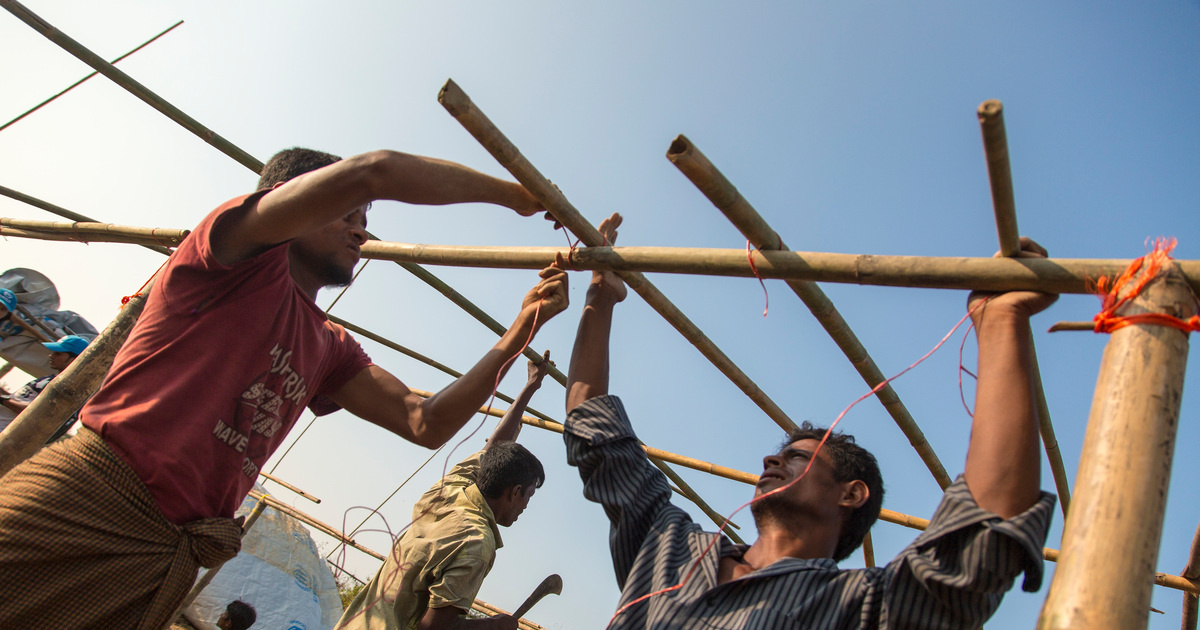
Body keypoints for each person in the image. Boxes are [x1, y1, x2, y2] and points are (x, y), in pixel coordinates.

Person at [0, 148, 569, 629]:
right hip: (89, 500)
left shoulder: (328, 347)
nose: (361, 228)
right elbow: (376, 170)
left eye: (364, 218)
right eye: (345, 212)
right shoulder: (233, 255)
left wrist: (525, 325)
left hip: (167, 552)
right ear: (291, 201)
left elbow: (427, 423)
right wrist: (516, 194)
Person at [561, 213, 1058, 629]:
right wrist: (601, 298)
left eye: (797, 456)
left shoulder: (858, 608)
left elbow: (979, 543)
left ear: (851, 494)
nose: (772, 458)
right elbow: (593, 426)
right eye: (780, 452)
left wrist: (999, 324)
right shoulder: (669, 545)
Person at [339, 353, 553, 630]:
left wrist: (530, 387)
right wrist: (492, 626)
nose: (526, 506)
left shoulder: (449, 491)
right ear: (514, 492)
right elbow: (433, 628)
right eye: (529, 496)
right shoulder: (476, 543)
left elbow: (492, 451)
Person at [0, 334, 90, 439]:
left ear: (75, 359)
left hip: (6, 436)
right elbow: (20, 400)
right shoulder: (53, 379)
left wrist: (3, 400)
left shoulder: (66, 387)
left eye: (58, 354)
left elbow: (39, 413)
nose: (51, 356)